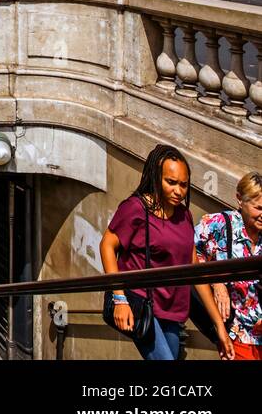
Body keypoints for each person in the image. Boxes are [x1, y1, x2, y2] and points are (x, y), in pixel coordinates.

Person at [100, 144, 194, 360]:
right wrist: (120, 300)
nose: (178, 191)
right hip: (142, 304)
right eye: (170, 182)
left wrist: (216, 316)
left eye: (183, 185)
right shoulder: (136, 208)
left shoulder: (184, 215)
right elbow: (107, 245)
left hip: (172, 309)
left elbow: (192, 261)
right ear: (155, 177)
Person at [193, 171, 262, 360]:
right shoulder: (219, 225)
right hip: (237, 333)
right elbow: (188, 252)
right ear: (240, 200)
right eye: (258, 208)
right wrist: (217, 282)